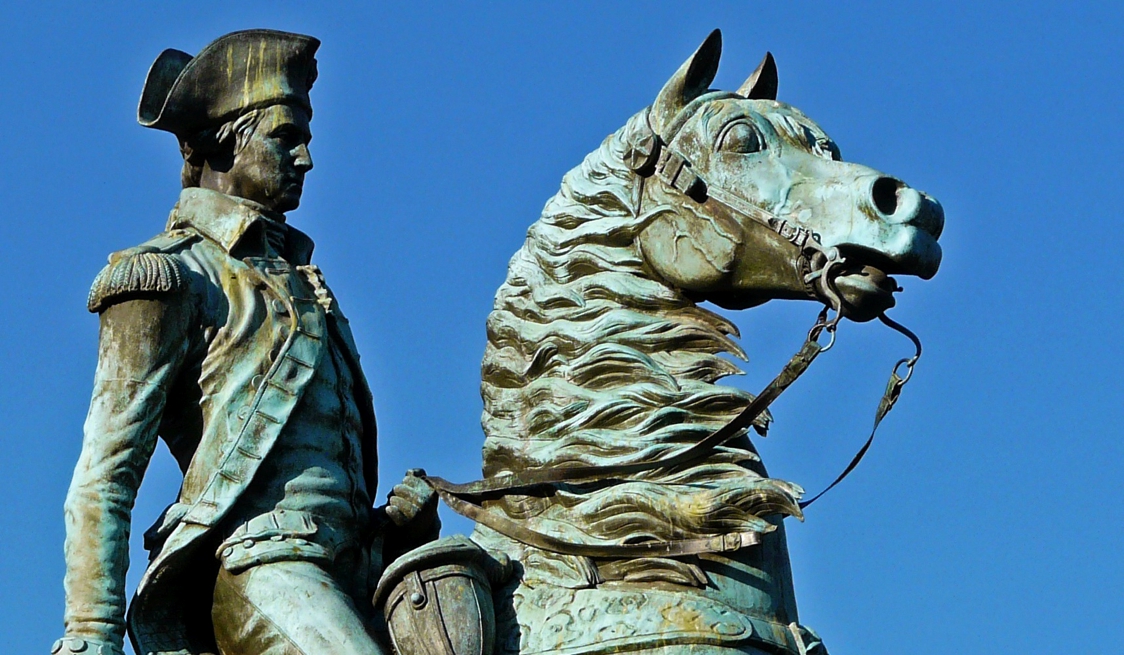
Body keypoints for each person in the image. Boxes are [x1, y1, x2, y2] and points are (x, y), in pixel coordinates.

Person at [55, 29, 437, 655]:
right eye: (286, 138)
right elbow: (106, 471)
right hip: (261, 565)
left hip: (359, 572)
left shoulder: (304, 283)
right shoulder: (169, 275)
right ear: (225, 143)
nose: (306, 159)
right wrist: (92, 632)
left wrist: (390, 526)